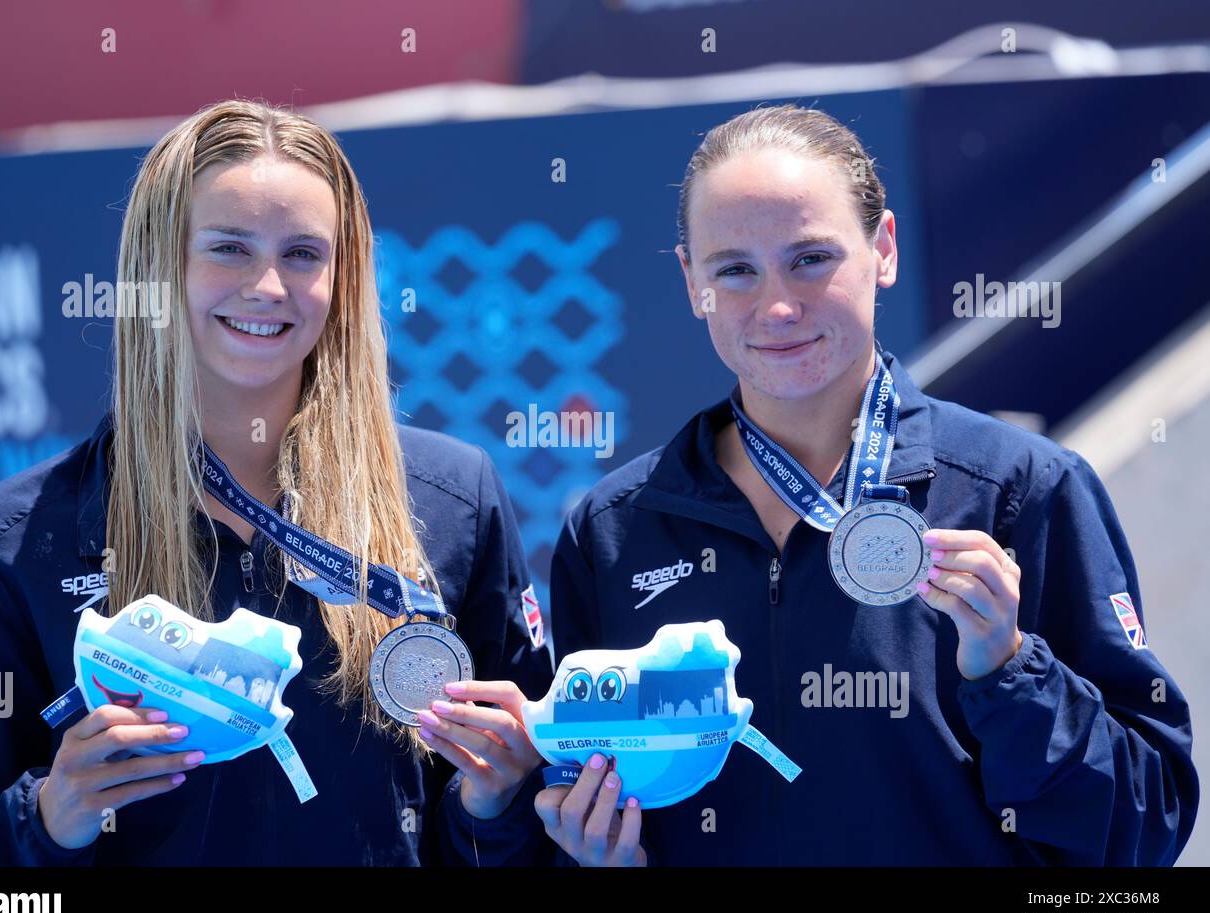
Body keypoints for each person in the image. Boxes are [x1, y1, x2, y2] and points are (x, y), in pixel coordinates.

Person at [431, 103, 1199, 865]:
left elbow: (1148, 823)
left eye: (810, 258)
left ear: (884, 249)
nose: (777, 306)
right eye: (735, 270)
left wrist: (1009, 670)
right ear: (690, 280)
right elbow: (578, 815)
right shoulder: (613, 530)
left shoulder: (1018, 489)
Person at [0, 99, 550, 866]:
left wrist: (495, 807)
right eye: (229, 248)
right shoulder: (9, 546)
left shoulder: (452, 500)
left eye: (304, 254)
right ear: (158, 265)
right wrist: (45, 820)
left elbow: (529, 830)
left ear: (343, 281)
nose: (269, 286)